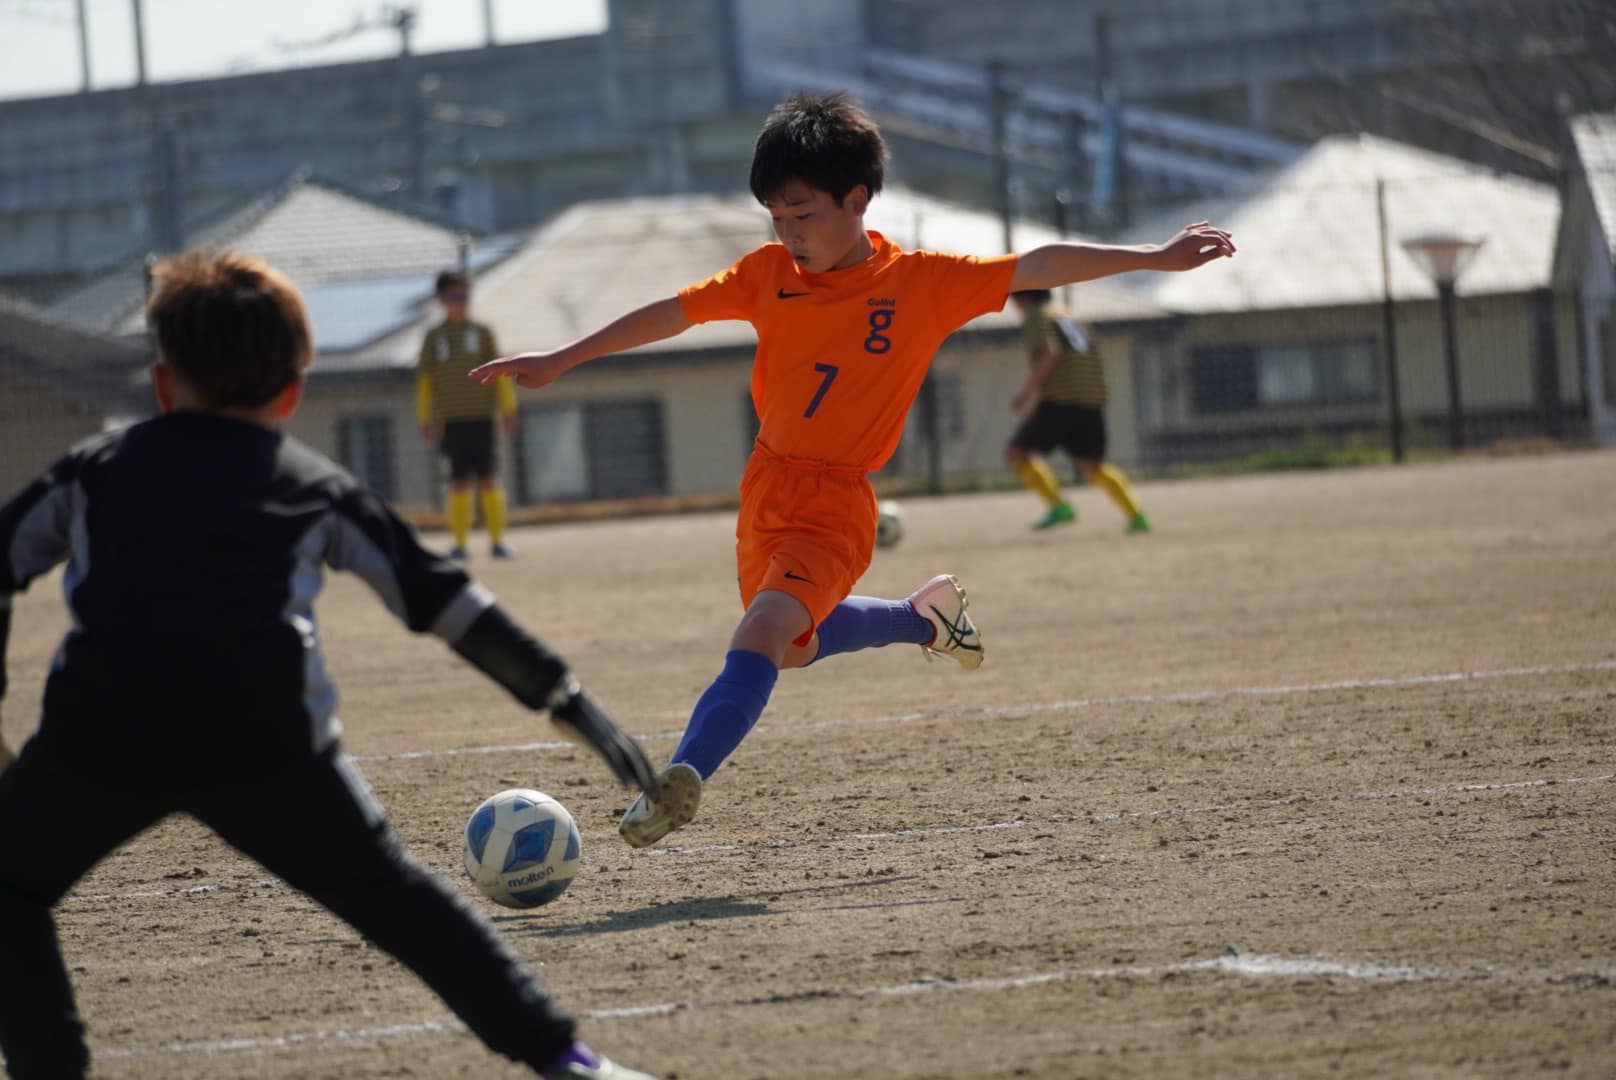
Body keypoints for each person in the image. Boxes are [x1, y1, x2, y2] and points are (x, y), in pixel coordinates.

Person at [470, 93, 1234, 849]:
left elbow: (1036, 263)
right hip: (766, 486)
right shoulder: (767, 274)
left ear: (857, 198)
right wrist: (563, 357)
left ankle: (677, 779)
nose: (789, 233)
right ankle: (921, 617)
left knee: (765, 630)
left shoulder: (921, 284)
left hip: (836, 500)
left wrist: (1154, 256)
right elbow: (673, 313)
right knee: (793, 644)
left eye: (803, 214)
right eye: (776, 216)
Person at [0, 250, 661, 1080]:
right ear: (292, 392)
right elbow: (447, 604)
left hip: (103, 734)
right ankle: (567, 1060)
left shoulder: (94, 471)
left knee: (10, 888)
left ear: (163, 385)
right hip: (268, 742)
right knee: (398, 901)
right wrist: (563, 697)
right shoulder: (313, 483)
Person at [1007, 288, 1150, 532]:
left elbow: (1050, 352)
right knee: (1093, 464)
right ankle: (1137, 515)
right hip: (1091, 397)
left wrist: (1026, 394)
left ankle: (1059, 506)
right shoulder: (1069, 316)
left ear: (1024, 298)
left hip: (1062, 398)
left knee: (1017, 452)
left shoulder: (1037, 317)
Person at [418, 269, 518, 561]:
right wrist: (425, 418)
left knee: (488, 477)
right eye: (453, 296)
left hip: (482, 417)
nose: (460, 302)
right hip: (451, 420)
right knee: (458, 481)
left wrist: (508, 410)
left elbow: (501, 374)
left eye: (464, 296)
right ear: (441, 299)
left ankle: (498, 541)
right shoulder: (433, 337)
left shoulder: (482, 332)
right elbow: (425, 382)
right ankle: (460, 544)